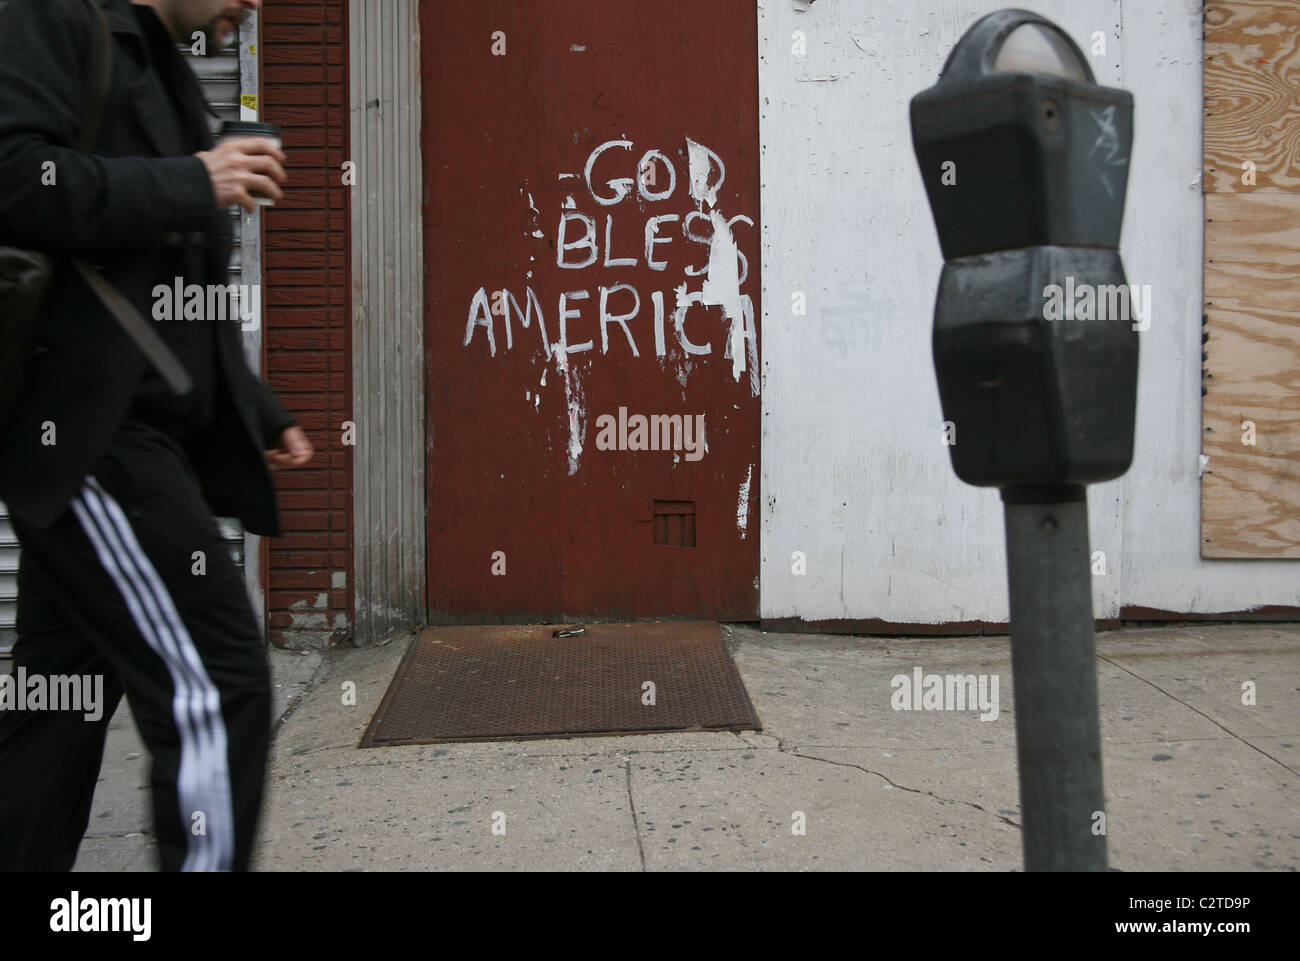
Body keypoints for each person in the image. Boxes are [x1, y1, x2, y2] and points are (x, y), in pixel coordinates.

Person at [0, 0, 312, 871]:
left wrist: (253, 403)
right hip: (90, 433)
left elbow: (161, 287)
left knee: (55, 707)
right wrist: (192, 180)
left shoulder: (165, 61)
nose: (251, 3)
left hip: (121, 431)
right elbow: (15, 174)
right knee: (216, 684)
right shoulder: (53, 20)